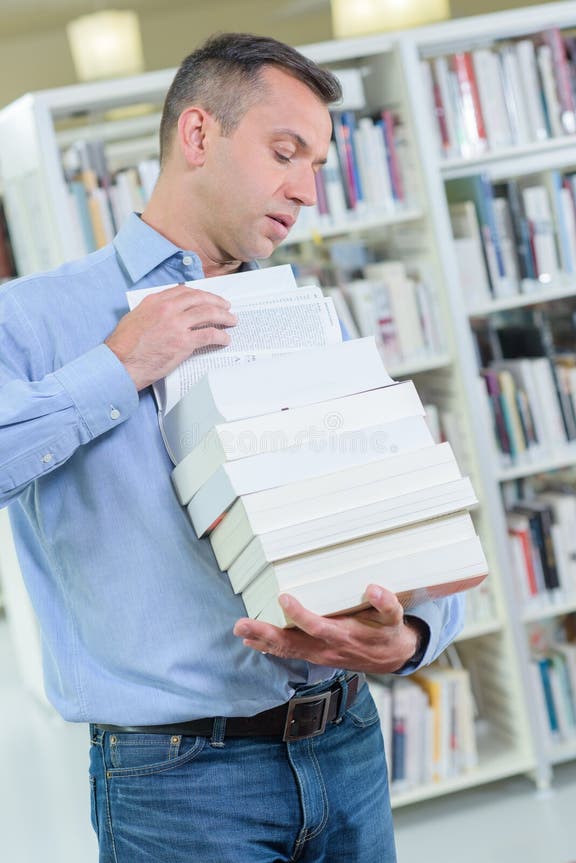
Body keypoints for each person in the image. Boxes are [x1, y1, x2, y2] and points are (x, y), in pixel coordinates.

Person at [0, 33, 464, 863]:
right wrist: (116, 367)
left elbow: (397, 505)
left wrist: (418, 634)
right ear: (198, 136)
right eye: (287, 153)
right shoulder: (33, 319)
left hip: (347, 745)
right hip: (177, 783)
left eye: (318, 164)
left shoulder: (307, 315)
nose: (308, 190)